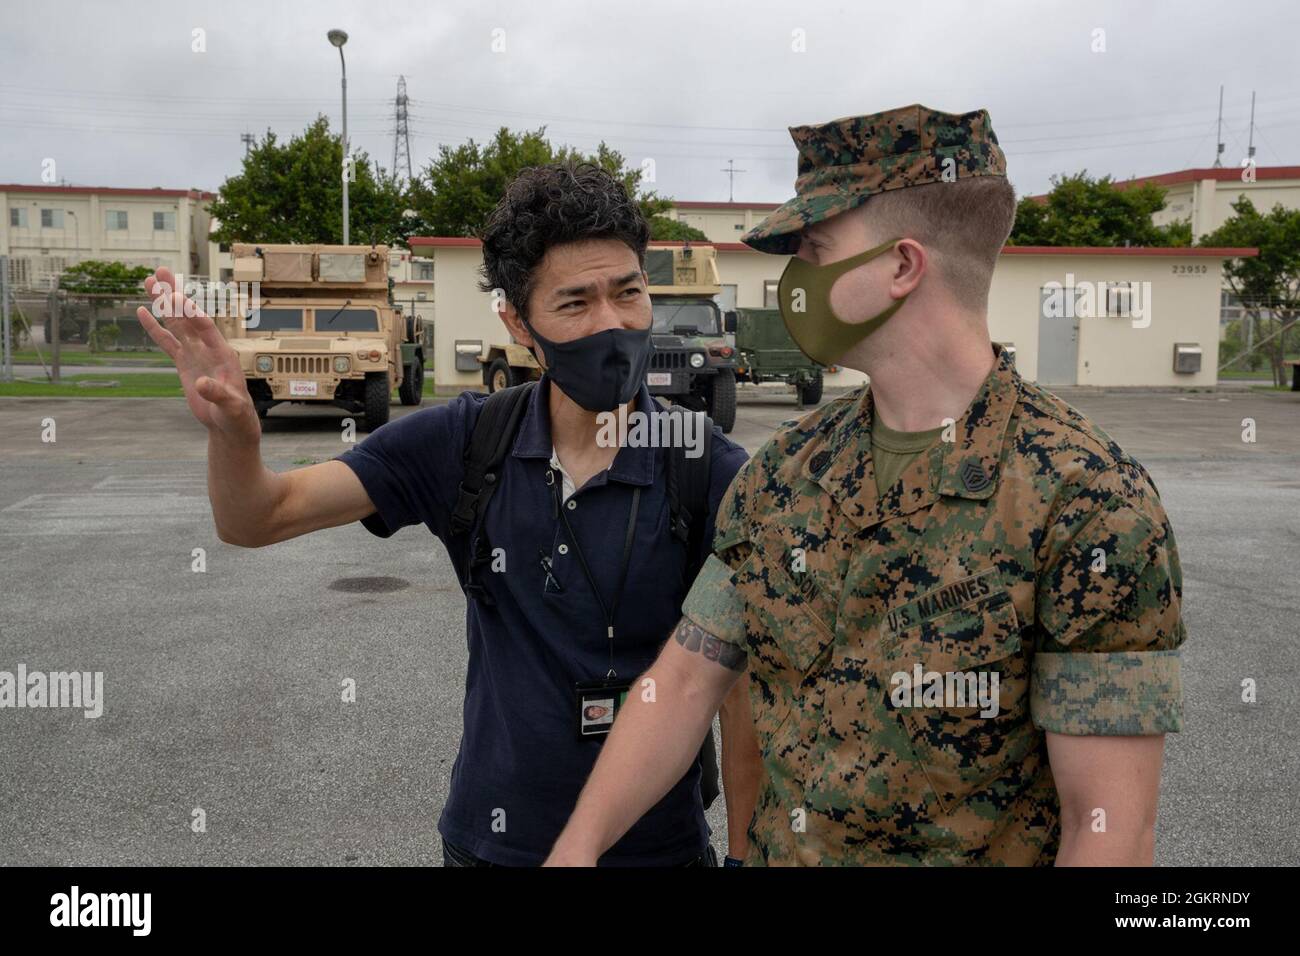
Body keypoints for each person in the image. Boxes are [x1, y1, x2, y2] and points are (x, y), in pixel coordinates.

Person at [546, 105, 1186, 866]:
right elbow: (684, 684)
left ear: (901, 266)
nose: (796, 280)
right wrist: (576, 851)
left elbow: (1106, 831)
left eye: (815, 249)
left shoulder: (1089, 504)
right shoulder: (785, 471)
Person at [136, 161, 758, 867]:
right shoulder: (465, 442)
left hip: (661, 854)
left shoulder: (709, 467)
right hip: (492, 847)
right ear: (519, 322)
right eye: (576, 304)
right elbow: (258, 518)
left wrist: (742, 857)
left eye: (629, 292)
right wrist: (234, 438)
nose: (612, 324)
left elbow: (740, 695)